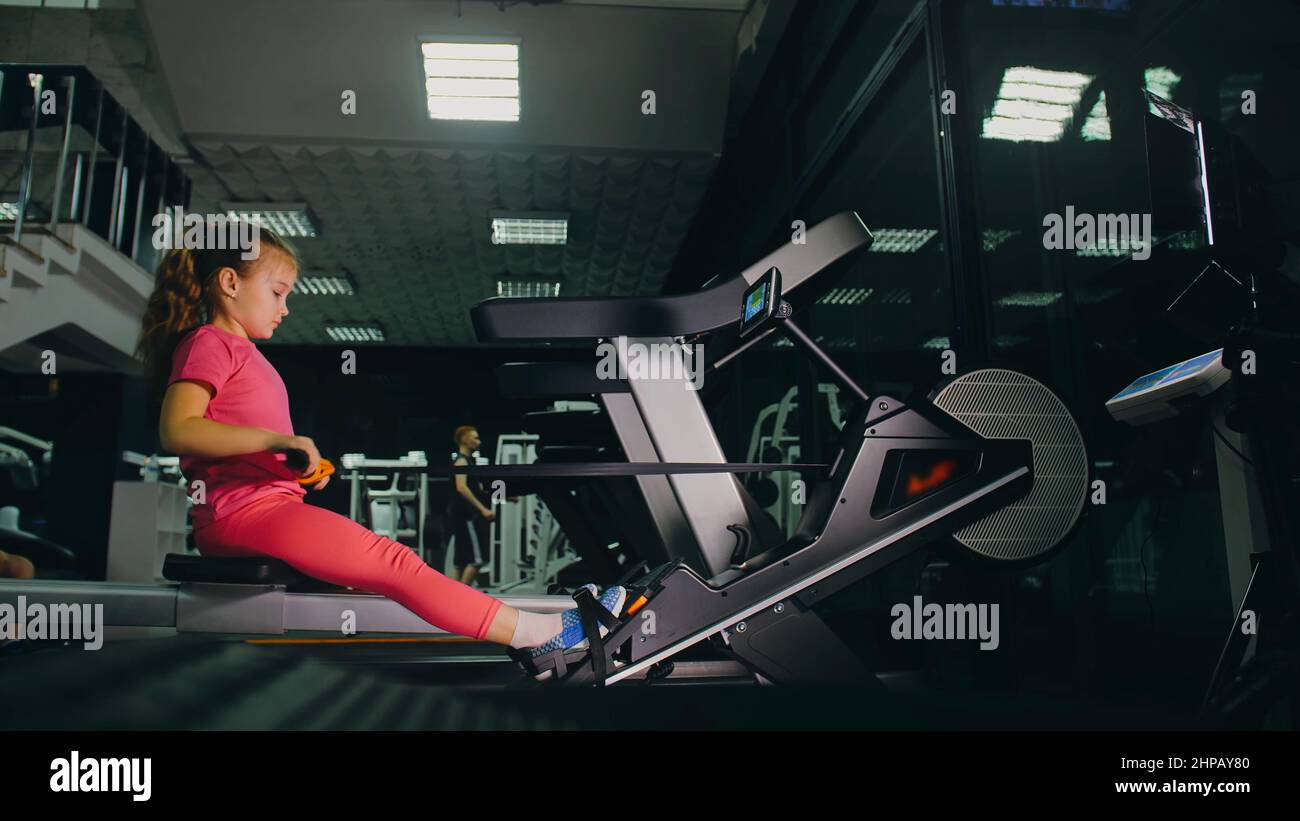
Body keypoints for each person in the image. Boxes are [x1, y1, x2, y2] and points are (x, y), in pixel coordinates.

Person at [135, 226, 625, 658]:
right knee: (393, 563)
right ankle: (541, 635)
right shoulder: (210, 343)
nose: (286, 307)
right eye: (279, 291)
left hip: (261, 506)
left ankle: (530, 631)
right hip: (243, 515)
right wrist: (276, 439)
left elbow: (234, 446)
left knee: (385, 566)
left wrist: (294, 464)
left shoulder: (237, 351)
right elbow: (178, 430)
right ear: (229, 282)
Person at [448, 425, 492, 587]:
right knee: (477, 560)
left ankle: (451, 598)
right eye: (475, 438)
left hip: (462, 517)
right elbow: (461, 487)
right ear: (465, 440)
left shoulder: (469, 462)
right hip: (466, 517)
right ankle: (462, 596)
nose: (478, 441)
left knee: (460, 563)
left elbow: (479, 489)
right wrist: (483, 509)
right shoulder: (461, 461)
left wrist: (507, 497)